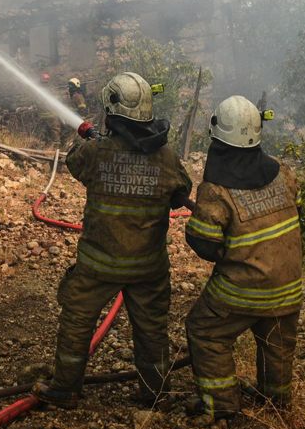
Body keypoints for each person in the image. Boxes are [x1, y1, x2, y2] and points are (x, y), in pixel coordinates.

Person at [35, 72, 192, 409]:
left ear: (111, 110)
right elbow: (181, 193)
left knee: (77, 318)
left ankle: (64, 389)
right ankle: (156, 392)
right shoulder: (166, 157)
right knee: (151, 329)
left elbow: (76, 164)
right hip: (148, 267)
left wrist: (93, 140)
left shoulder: (96, 153)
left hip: (98, 264)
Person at [184, 95, 302, 422]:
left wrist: (225, 249)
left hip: (242, 290)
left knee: (204, 330)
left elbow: (204, 242)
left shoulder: (216, 189)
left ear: (219, 139)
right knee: (276, 341)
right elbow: (295, 210)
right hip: (289, 287)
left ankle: (221, 405)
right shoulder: (283, 173)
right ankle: (275, 401)